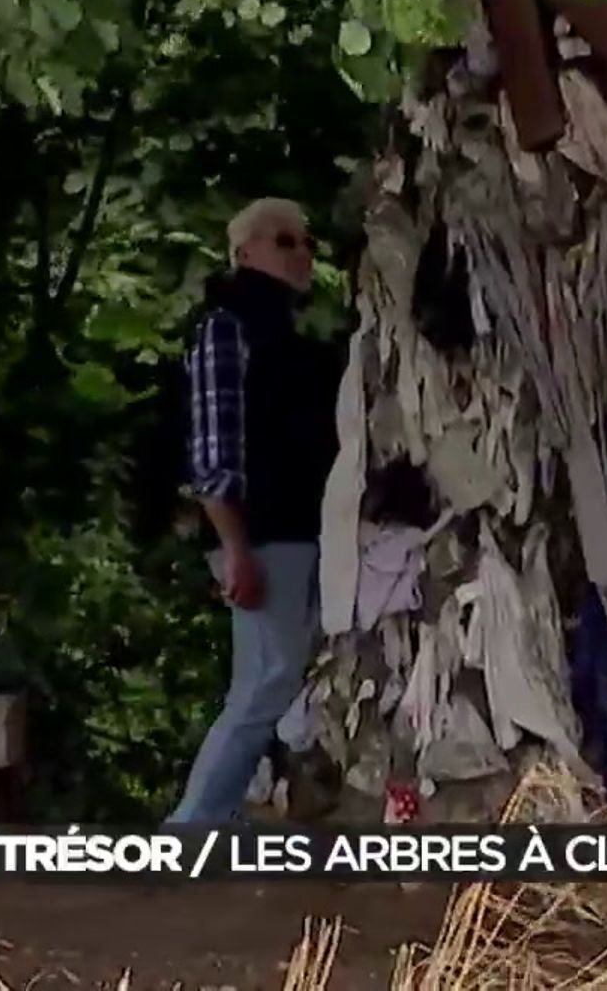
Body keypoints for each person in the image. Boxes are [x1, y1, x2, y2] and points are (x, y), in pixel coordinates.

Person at [167, 197, 339, 825]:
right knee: (264, 683)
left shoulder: (280, 330)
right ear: (244, 253)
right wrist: (234, 545)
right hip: (261, 532)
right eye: (284, 241)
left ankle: (232, 816)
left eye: (307, 241)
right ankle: (191, 832)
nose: (302, 253)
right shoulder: (227, 326)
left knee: (278, 680)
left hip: (293, 528)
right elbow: (212, 446)